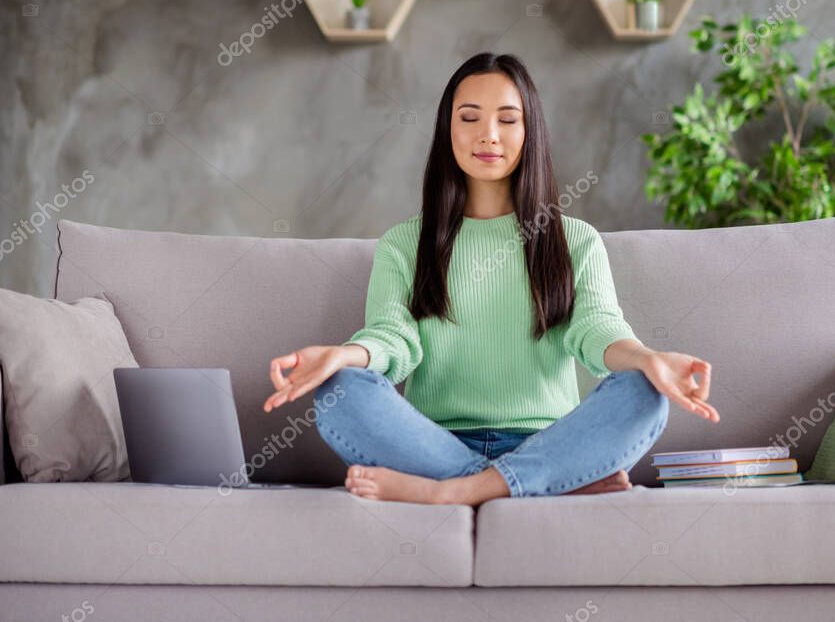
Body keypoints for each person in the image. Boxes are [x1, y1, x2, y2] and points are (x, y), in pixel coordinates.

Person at [262, 52, 719, 506]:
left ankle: (460, 491)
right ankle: (538, 484)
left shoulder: (575, 240)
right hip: (435, 444)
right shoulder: (404, 244)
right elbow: (392, 338)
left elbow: (597, 329)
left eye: (507, 119)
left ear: (529, 131)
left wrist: (647, 358)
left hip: (547, 441)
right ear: (448, 130)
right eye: (469, 118)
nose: (488, 135)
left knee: (645, 391)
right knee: (341, 388)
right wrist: (344, 355)